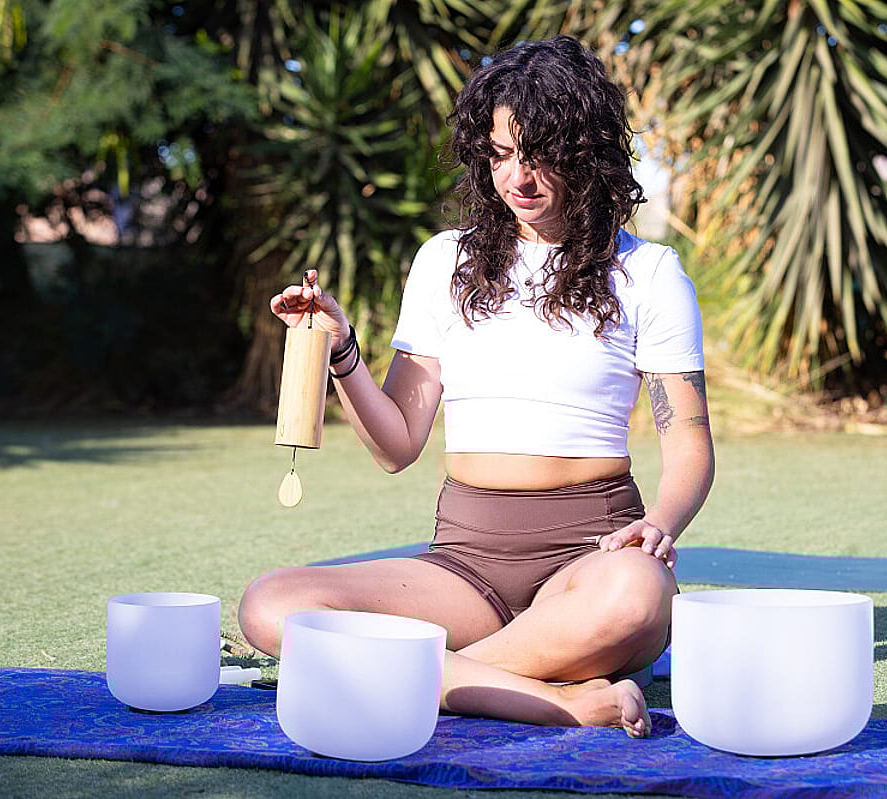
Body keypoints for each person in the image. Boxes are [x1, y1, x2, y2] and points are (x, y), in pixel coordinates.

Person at [239, 34, 714, 738]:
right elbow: (397, 443)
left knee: (640, 598)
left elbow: (691, 445)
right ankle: (547, 693)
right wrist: (342, 348)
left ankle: (432, 680)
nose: (515, 177)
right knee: (269, 605)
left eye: (536, 153)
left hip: (592, 556)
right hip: (464, 564)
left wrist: (660, 525)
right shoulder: (445, 264)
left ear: (586, 152)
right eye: (498, 154)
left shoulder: (648, 274)